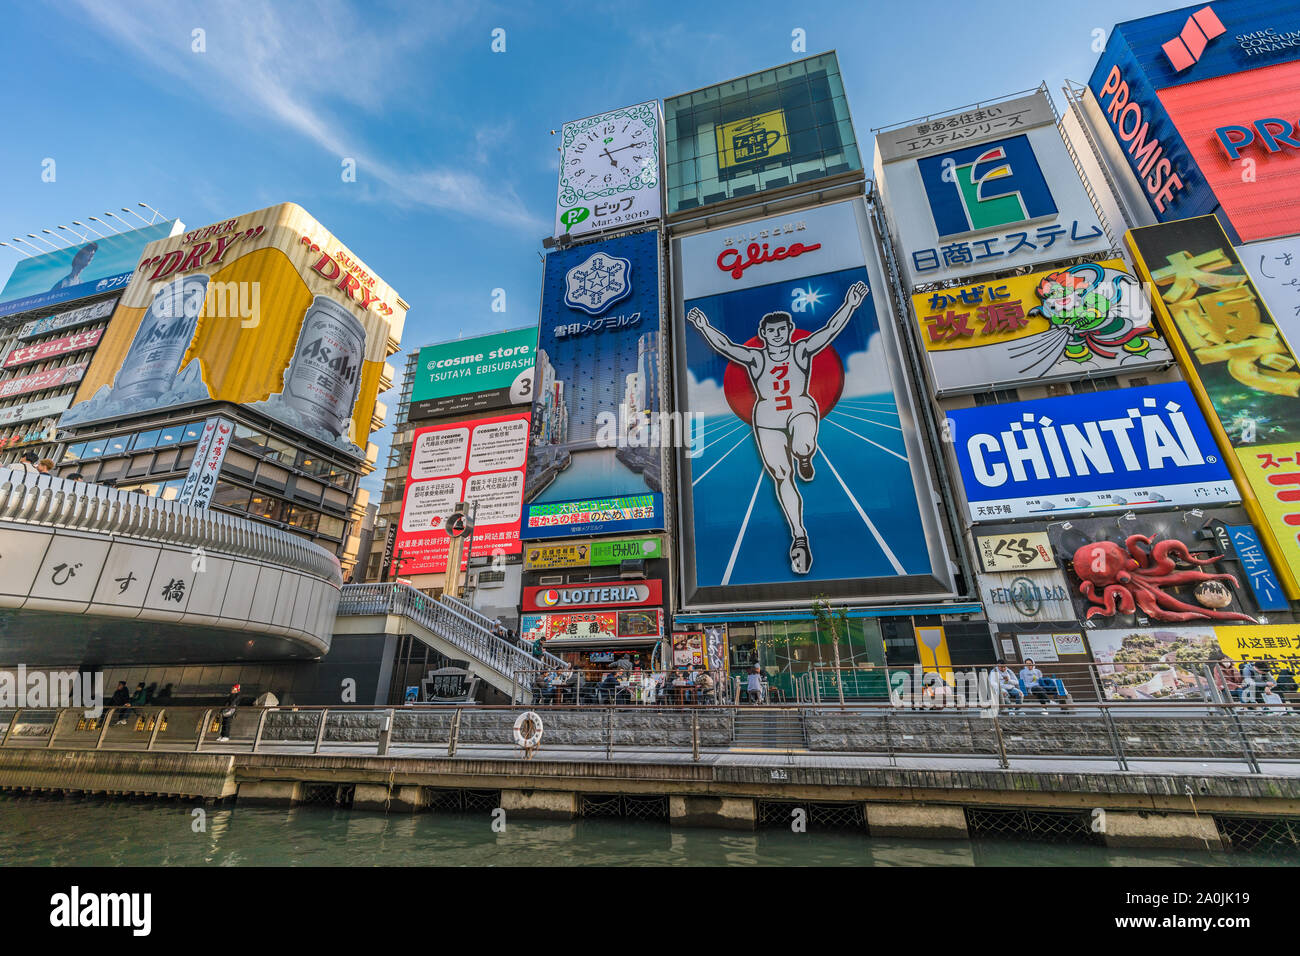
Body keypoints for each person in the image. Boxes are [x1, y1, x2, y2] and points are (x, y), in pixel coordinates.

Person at [687, 280, 871, 575]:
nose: (777, 335)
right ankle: (799, 535)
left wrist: (850, 304)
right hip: (768, 418)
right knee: (782, 476)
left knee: (801, 444)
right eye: (771, 331)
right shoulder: (756, 358)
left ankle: (805, 456)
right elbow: (726, 346)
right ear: (763, 334)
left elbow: (829, 331)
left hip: (800, 408)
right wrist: (704, 326)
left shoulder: (801, 351)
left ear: (788, 331)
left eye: (781, 330)